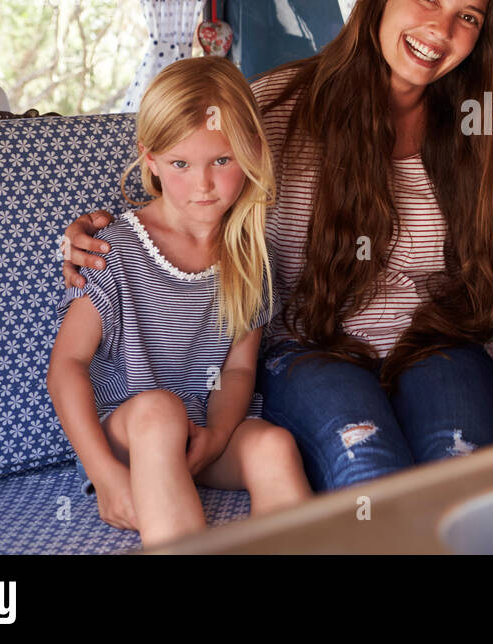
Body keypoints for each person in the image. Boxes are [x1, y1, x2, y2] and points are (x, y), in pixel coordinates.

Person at [62, 0, 493, 491]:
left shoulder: (485, 134)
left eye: (469, 17)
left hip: (439, 348)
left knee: (460, 480)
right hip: (307, 350)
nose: (440, 28)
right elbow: (190, 181)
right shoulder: (272, 107)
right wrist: (101, 230)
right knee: (372, 474)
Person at [48, 57, 310, 548]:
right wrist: (103, 474)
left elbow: (236, 371)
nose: (203, 184)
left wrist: (215, 436)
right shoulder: (114, 249)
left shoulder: (252, 256)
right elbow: (67, 365)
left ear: (252, 152)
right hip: (128, 431)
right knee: (161, 412)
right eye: (180, 164)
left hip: (200, 430)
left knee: (273, 445)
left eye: (222, 160)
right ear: (150, 160)